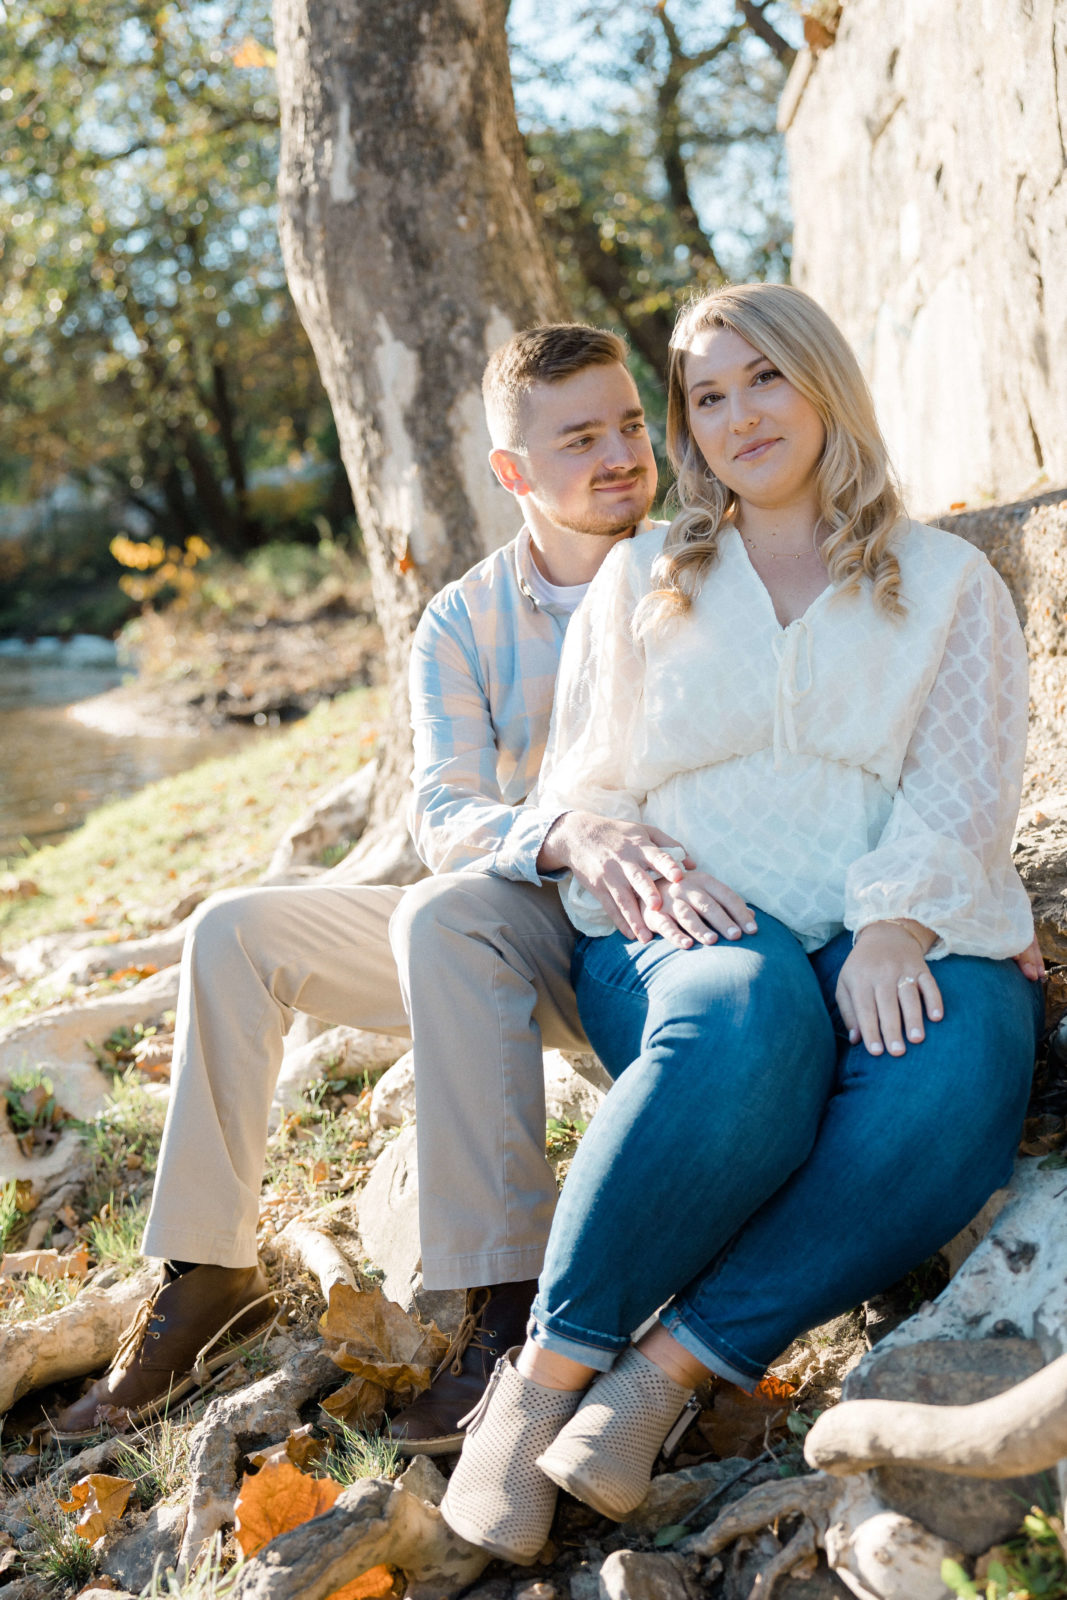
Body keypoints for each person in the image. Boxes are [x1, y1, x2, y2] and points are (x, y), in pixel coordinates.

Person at [439, 282, 1047, 1563]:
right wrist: (621, 854)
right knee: (746, 1007)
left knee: (965, 1060)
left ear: (822, 382)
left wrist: (895, 924)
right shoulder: (643, 575)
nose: (737, 415)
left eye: (762, 377)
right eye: (705, 396)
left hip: (878, 922)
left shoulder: (944, 581)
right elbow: (586, 784)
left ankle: (665, 1369)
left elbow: (963, 785)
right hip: (679, 931)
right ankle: (539, 1379)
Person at [54, 323, 699, 1442]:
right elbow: (443, 811)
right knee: (232, 931)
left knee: (447, 912)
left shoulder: (701, 570)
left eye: (630, 426)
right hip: (503, 922)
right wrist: (563, 835)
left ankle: (504, 1308)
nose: (619, 456)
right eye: (580, 438)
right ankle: (208, 1275)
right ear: (512, 473)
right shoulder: (462, 618)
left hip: (648, 934)